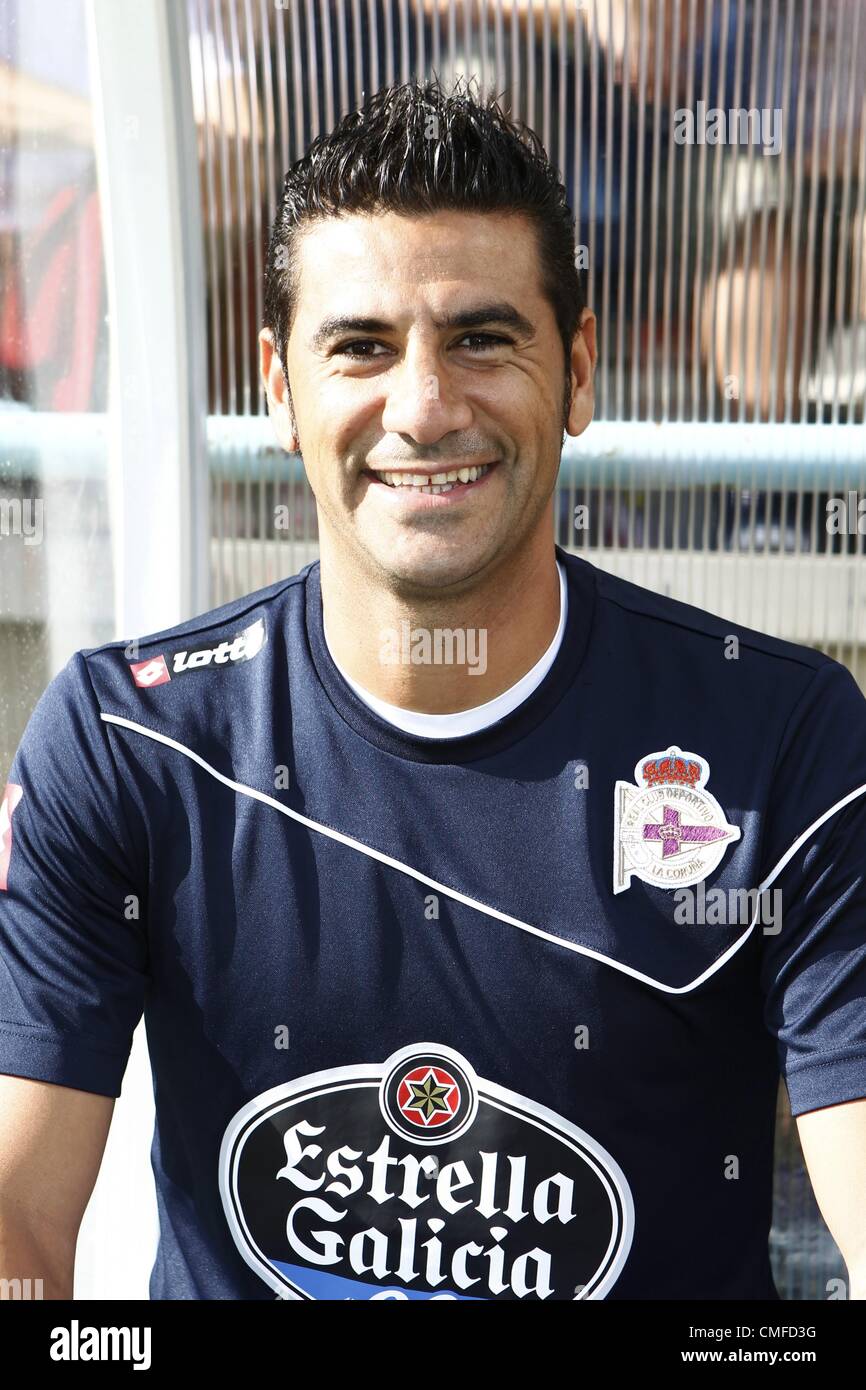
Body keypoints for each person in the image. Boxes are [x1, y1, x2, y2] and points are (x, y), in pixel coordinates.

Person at [1, 78, 864, 1302]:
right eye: (360, 345)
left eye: (480, 337)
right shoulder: (127, 741)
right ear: (276, 387)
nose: (423, 406)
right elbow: (15, 1221)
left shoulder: (779, 739)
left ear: (575, 372)